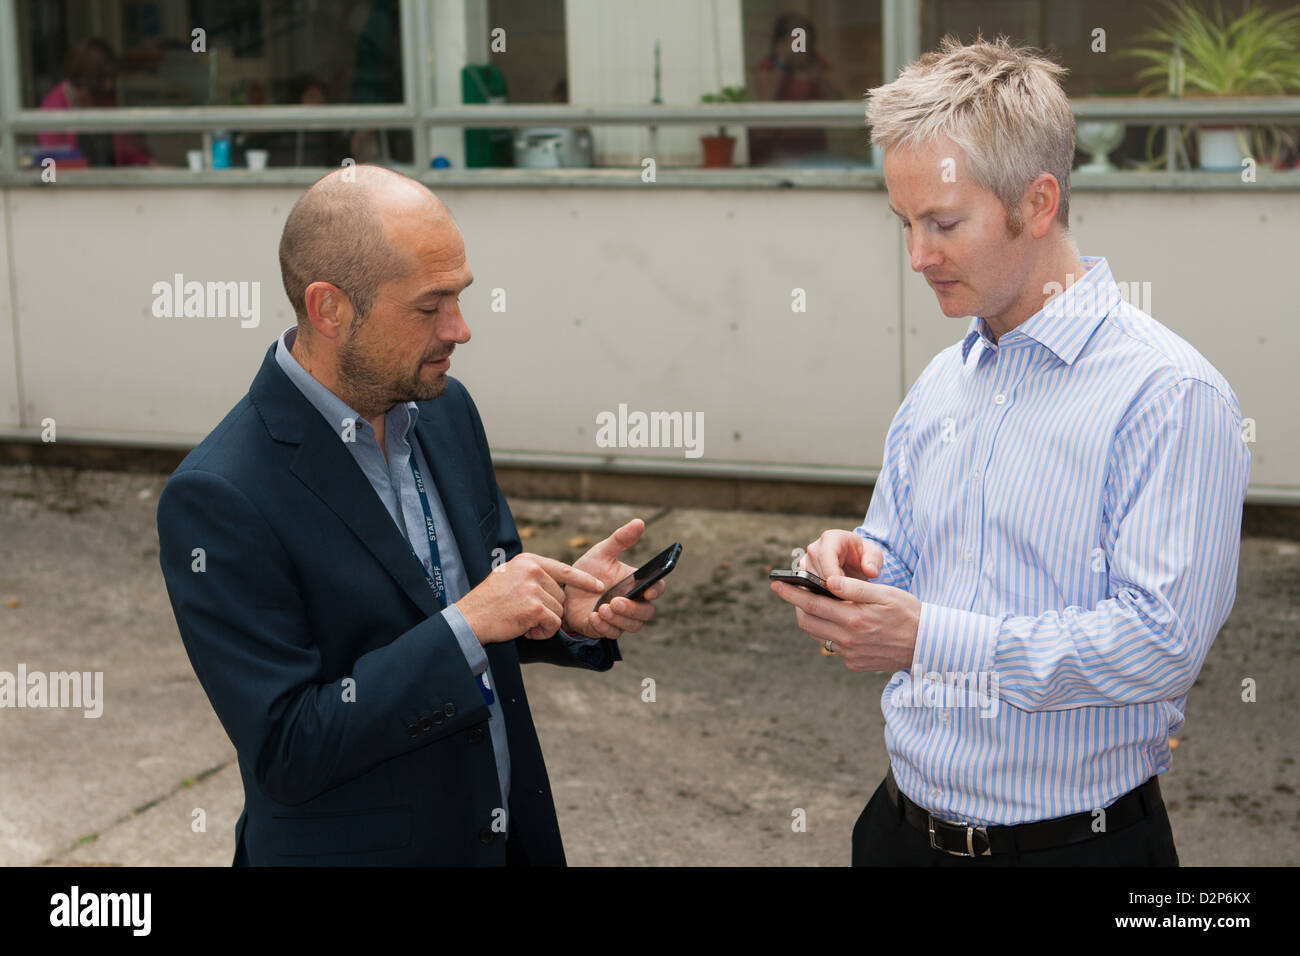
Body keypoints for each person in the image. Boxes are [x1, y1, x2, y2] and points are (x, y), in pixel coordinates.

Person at [771, 37, 1250, 866]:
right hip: (899, 831)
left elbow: (1162, 645)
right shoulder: (941, 384)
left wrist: (927, 639)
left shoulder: (1170, 394)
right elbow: (908, 559)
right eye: (906, 224)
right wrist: (857, 568)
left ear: (1036, 203)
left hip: (1075, 848)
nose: (918, 256)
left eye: (944, 223)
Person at [157, 164, 665, 865]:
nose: (460, 329)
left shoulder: (445, 410)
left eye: (459, 297)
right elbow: (288, 749)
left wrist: (563, 608)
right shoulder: (219, 496)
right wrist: (468, 624)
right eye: (430, 307)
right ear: (328, 308)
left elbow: (488, 590)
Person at [38, 37, 153, 167]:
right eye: (101, 79)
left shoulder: (104, 97)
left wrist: (153, 166)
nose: (108, 86)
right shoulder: (55, 107)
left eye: (111, 78)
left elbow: (126, 149)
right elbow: (54, 164)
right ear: (81, 78)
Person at [748, 12, 842, 166]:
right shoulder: (769, 67)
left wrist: (819, 77)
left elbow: (838, 101)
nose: (800, 49)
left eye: (805, 42)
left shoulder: (818, 65)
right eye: (795, 42)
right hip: (778, 152)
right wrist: (782, 63)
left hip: (815, 151)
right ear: (780, 43)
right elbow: (767, 102)